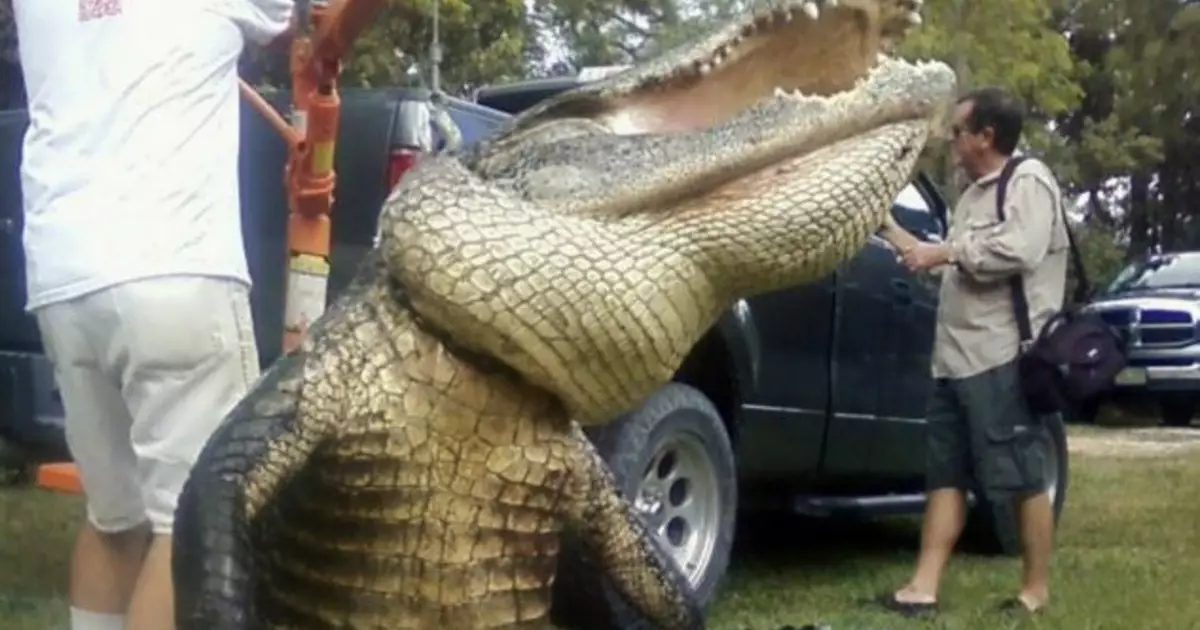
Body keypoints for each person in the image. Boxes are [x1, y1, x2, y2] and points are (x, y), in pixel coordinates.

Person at [12, 1, 293, 629]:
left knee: (115, 521)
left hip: (63, 278)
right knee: (188, 531)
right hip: (173, 265)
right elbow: (298, 26)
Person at [875, 86, 1069, 616]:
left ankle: (1034, 591)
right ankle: (923, 588)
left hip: (999, 357)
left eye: (958, 129)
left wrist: (948, 250)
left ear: (986, 136)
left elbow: (1020, 249)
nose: (951, 138)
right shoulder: (972, 194)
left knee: (1023, 479)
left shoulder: (1027, 181)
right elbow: (939, 260)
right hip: (953, 361)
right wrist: (887, 225)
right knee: (945, 476)